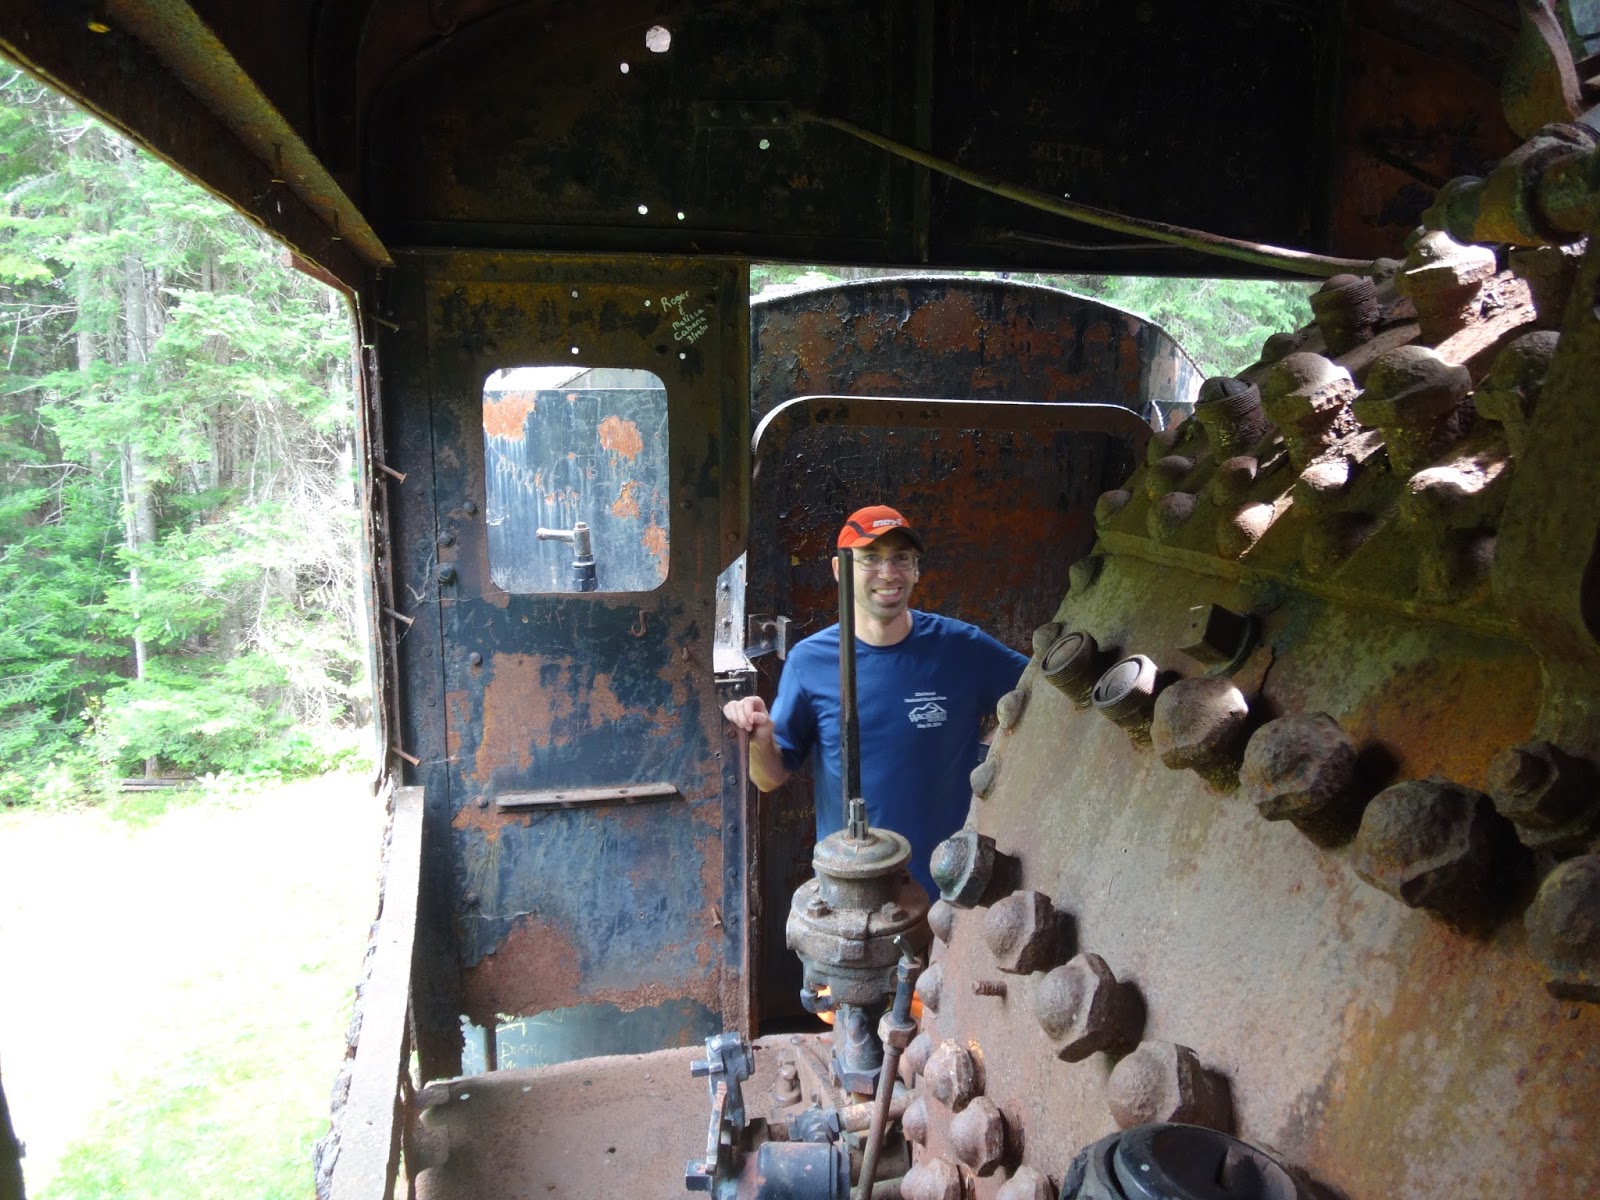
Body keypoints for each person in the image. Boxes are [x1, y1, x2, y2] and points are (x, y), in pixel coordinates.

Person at [722, 505, 1029, 897]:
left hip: (957, 890)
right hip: (856, 895)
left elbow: (1038, 696)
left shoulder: (961, 647)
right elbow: (769, 778)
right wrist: (759, 740)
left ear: (916, 569)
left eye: (901, 558)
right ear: (840, 569)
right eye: (870, 558)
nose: (888, 573)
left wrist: (998, 750)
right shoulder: (810, 661)